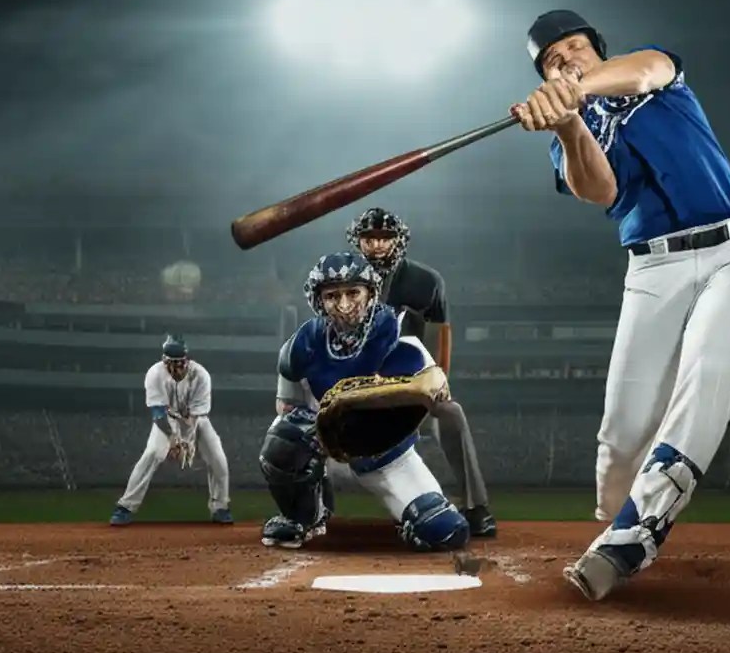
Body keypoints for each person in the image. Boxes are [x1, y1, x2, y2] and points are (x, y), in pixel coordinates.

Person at [512, 10, 730, 599]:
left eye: (574, 47)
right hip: (653, 266)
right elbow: (601, 190)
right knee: (623, 435)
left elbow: (644, 73)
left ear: (598, 48)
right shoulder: (573, 129)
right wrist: (566, 126)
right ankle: (619, 513)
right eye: (551, 60)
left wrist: (572, 89)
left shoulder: (651, 69)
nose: (565, 60)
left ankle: (632, 537)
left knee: (704, 379)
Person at [259, 251, 470, 552]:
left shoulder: (403, 345)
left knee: (442, 530)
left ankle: (413, 514)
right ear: (319, 300)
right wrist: (320, 432)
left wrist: (417, 390)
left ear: (371, 293)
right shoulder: (300, 346)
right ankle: (303, 516)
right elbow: (287, 409)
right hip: (327, 445)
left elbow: (437, 396)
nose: (344, 305)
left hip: (386, 454)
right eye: (332, 295)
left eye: (352, 292)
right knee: (284, 438)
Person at [345, 207, 496, 537]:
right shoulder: (342, 281)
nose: (377, 246)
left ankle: (476, 506)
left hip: (407, 383)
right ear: (357, 242)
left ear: (399, 241)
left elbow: (438, 338)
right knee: (301, 430)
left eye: (385, 238)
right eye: (370, 238)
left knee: (451, 414)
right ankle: (310, 508)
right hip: (352, 389)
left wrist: (437, 381)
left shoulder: (425, 282)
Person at [110, 334, 233, 526]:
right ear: (164, 361)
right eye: (172, 363)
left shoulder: (201, 375)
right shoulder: (154, 374)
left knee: (218, 458)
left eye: (181, 363)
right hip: (167, 420)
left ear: (187, 360)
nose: (177, 368)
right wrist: (174, 440)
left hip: (196, 420)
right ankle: (125, 507)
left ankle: (220, 508)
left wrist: (187, 442)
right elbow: (159, 414)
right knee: (152, 453)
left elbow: (194, 416)